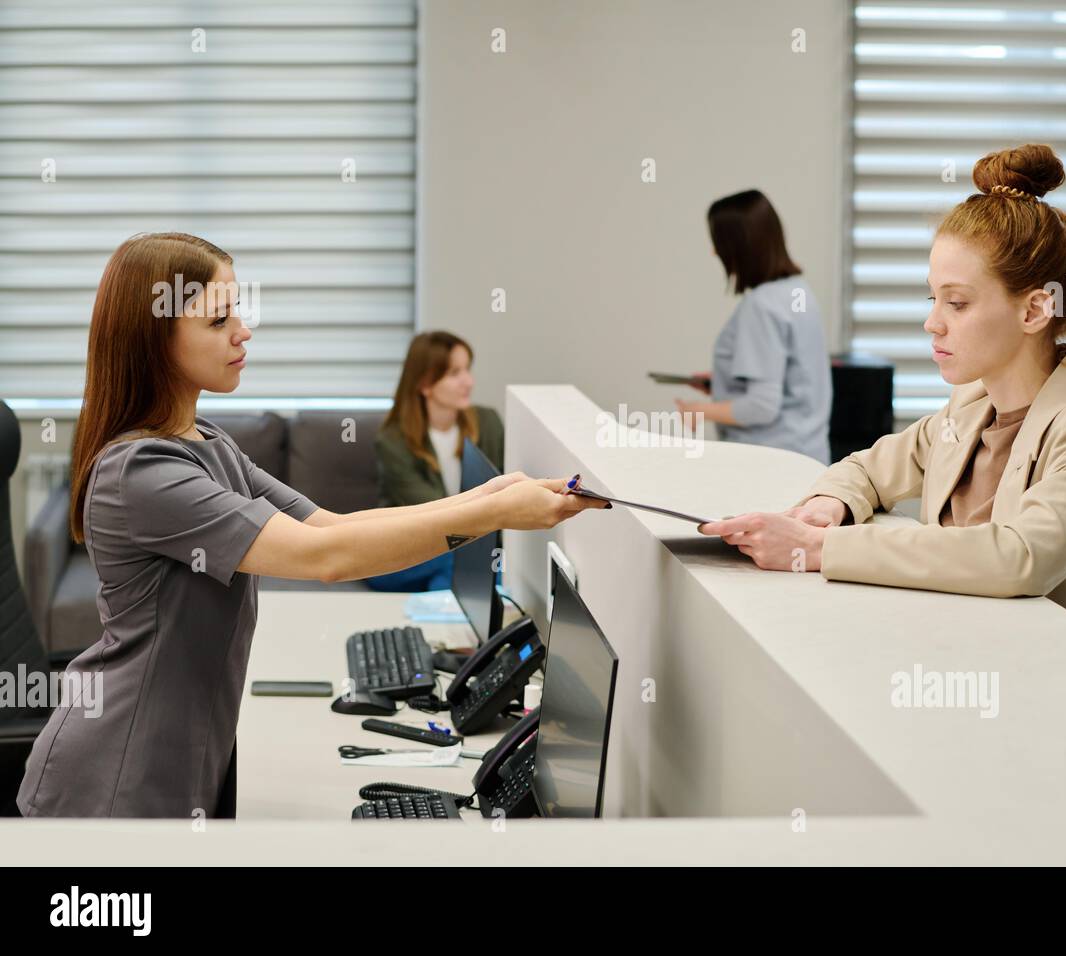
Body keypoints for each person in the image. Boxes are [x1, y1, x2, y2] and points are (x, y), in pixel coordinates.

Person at [16, 233, 606, 818]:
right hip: (116, 779)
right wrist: (497, 514)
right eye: (220, 320)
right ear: (154, 340)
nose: (242, 331)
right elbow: (326, 559)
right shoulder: (142, 471)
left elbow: (332, 527)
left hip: (186, 762)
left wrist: (487, 494)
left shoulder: (210, 446)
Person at [699, 145, 1066, 649]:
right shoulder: (970, 409)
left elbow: (1020, 558)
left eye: (957, 302)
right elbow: (866, 469)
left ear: (1034, 311)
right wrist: (830, 504)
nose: (932, 322)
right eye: (932, 298)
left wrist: (822, 547)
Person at [675, 189, 832, 464]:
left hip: (768, 463)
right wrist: (724, 382)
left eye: (718, 243)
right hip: (807, 458)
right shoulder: (797, 291)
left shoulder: (761, 306)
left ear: (738, 246)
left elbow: (761, 407)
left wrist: (696, 410)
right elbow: (791, 380)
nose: (714, 252)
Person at [368, 331, 504, 592]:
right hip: (400, 554)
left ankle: (443, 617)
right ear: (424, 384)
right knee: (453, 559)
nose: (469, 381)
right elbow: (436, 515)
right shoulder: (392, 441)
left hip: (462, 546)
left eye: (467, 370)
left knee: (455, 564)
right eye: (454, 373)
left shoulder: (488, 423)